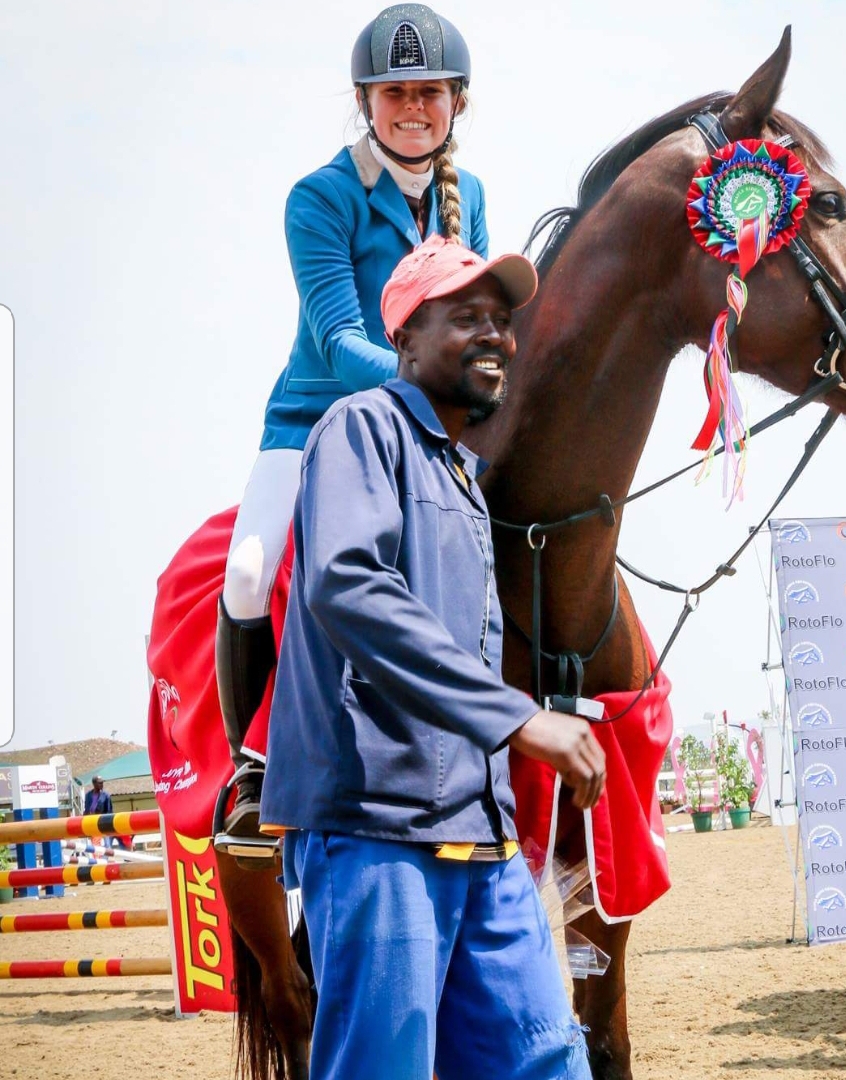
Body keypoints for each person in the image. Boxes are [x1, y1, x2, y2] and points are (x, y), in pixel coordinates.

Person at [260, 235, 604, 1080]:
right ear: (407, 339)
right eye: (466, 318)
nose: (495, 335)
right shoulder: (360, 427)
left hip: (479, 833)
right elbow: (345, 584)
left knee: (546, 1059)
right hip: (376, 827)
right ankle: (240, 761)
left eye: (501, 319)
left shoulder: (458, 471)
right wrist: (518, 717)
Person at [214, 4, 489, 852]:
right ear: (366, 100)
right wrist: (439, 382)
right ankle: (249, 761)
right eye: (395, 92)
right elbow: (339, 344)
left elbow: (477, 314)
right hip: (313, 418)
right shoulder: (320, 197)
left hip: (426, 420)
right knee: (251, 571)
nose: (414, 108)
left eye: (430, 93)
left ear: (456, 103)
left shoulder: (467, 196)